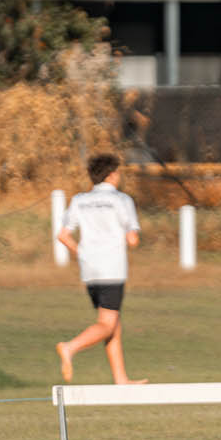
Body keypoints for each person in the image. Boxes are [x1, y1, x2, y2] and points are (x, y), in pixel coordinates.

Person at [56, 154, 143, 385]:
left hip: (89, 269)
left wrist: (81, 253)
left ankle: (120, 378)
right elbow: (132, 239)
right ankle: (70, 347)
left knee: (112, 321)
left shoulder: (79, 200)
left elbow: (63, 236)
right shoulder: (122, 200)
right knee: (107, 323)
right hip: (112, 268)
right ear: (112, 174)